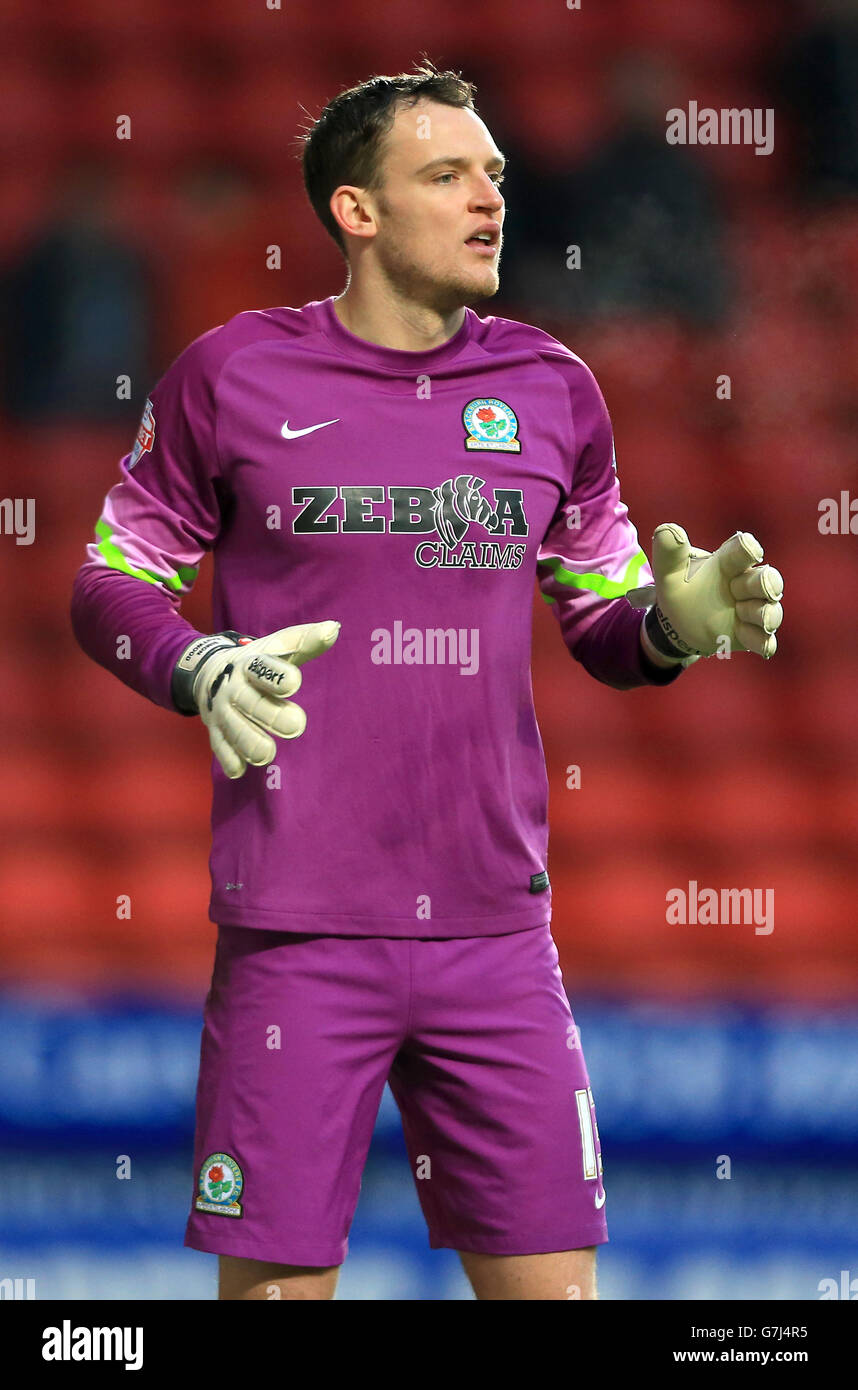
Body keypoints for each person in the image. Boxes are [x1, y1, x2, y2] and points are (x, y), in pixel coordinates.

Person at [71, 60, 784, 1301]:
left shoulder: (552, 389)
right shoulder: (232, 376)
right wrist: (196, 664)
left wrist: (671, 624)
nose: (487, 200)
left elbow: (607, 623)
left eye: (494, 175)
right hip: (299, 927)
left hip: (497, 936)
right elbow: (105, 582)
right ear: (356, 210)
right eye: (446, 175)